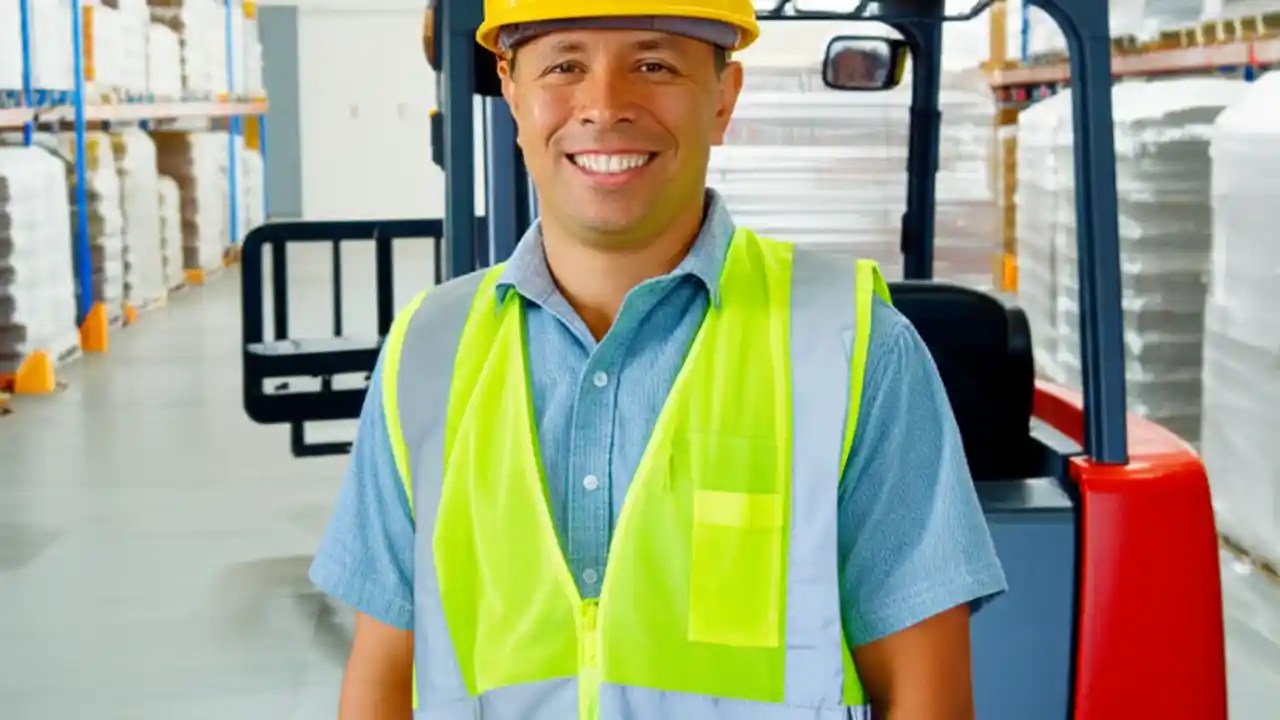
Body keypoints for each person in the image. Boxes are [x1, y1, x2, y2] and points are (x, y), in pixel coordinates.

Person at [309, 1, 1008, 718]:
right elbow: (384, 677)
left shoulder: (855, 349)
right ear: (514, 94)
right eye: (565, 65)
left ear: (724, 99)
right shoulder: (427, 354)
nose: (605, 105)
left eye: (654, 65)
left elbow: (926, 693)